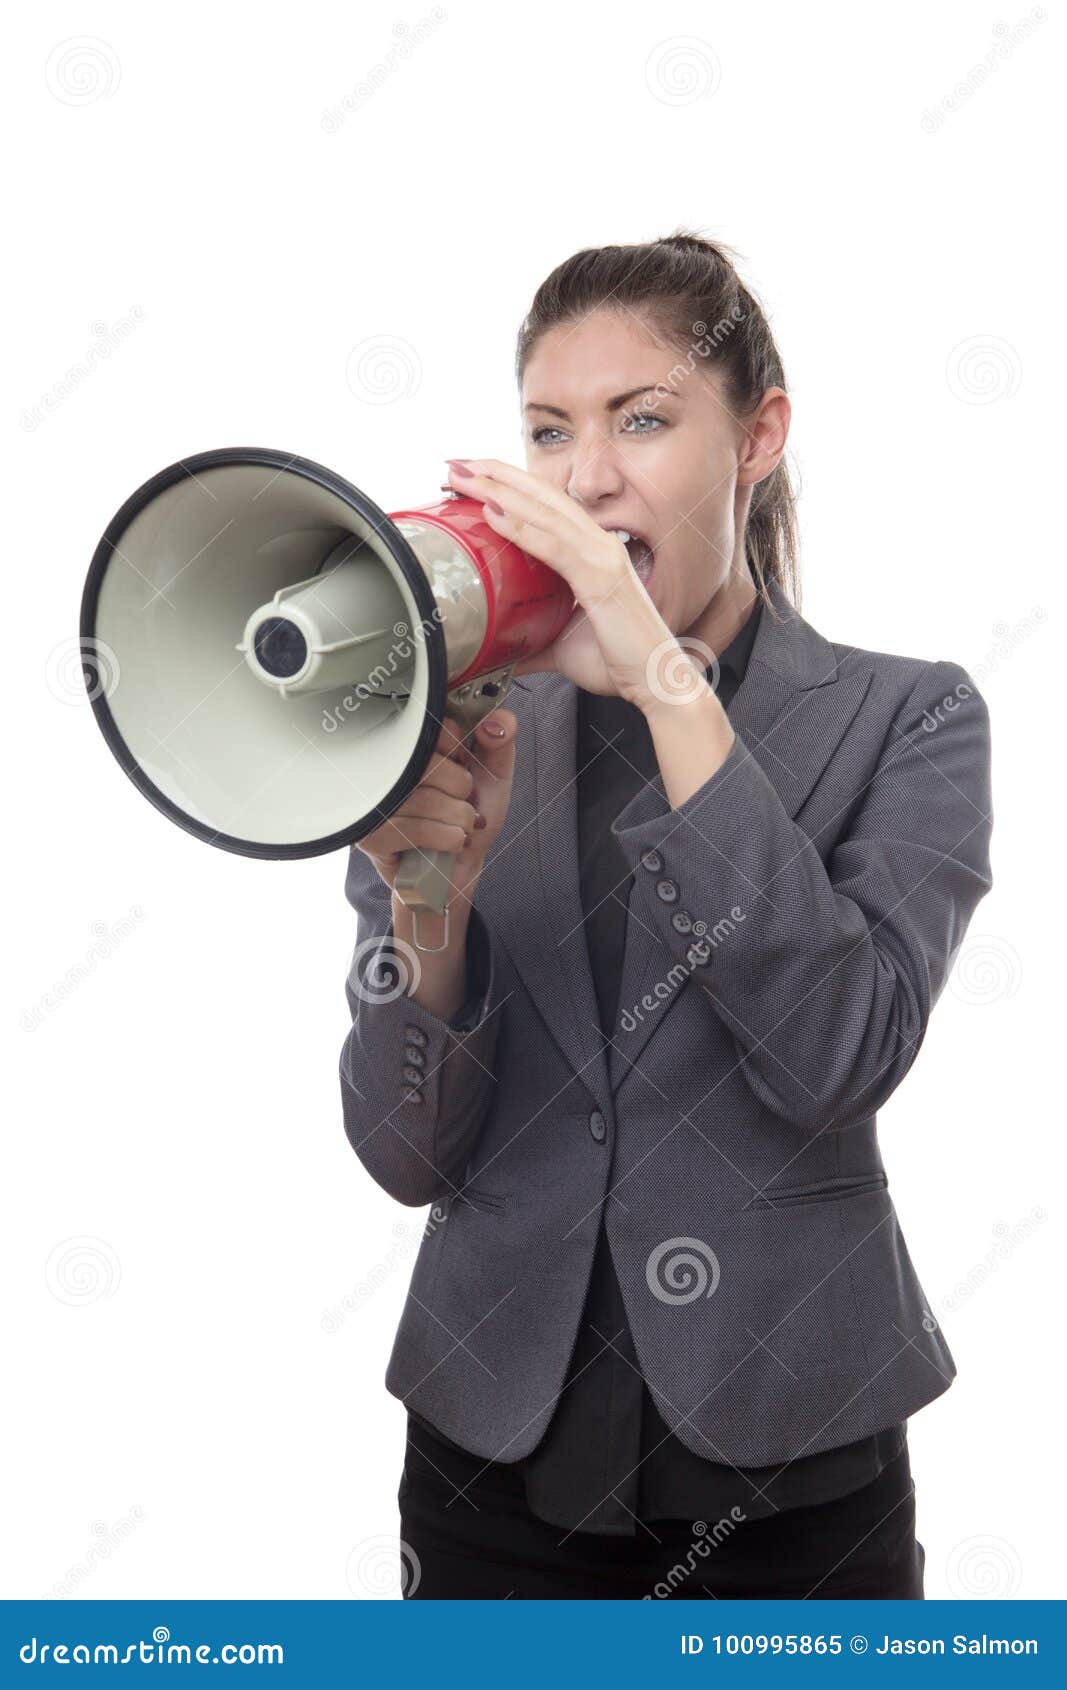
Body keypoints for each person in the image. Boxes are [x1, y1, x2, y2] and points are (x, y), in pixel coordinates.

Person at [339, 231, 993, 1599]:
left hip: (796, 1470)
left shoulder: (907, 715)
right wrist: (428, 909)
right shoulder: (461, 718)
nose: (586, 476)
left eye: (643, 419)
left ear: (759, 437)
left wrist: (667, 686)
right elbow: (407, 1153)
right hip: (485, 1467)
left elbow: (838, 1052)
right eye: (547, 429)